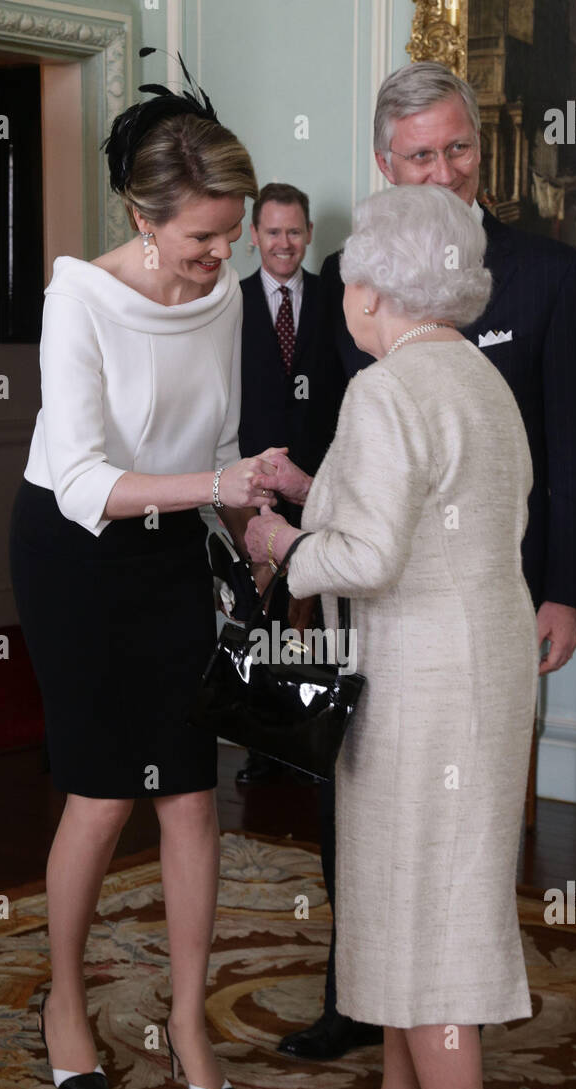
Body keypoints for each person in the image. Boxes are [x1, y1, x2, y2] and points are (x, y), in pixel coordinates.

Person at [279, 60, 576, 1063]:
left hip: (480, 603)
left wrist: (564, 590)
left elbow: (572, 449)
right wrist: (312, 558)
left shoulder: (549, 273)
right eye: (420, 154)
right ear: (387, 162)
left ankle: (438, 1018)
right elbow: (343, 442)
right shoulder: (350, 277)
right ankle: (359, 995)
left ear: (477, 144)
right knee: (359, 801)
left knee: (454, 828)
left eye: (457, 147)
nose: (445, 168)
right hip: (375, 605)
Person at [247, 183, 537, 1089]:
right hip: (484, 664)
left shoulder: (382, 387)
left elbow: (367, 556)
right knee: (423, 889)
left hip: (424, 677)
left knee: (427, 913)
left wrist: (281, 546)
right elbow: (427, 513)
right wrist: (314, 487)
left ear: (373, 288)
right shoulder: (476, 377)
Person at [9, 60, 276, 1089]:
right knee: (103, 787)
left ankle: (192, 1017)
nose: (224, 256)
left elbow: (215, 443)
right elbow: (81, 479)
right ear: (143, 214)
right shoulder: (77, 297)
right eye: (205, 236)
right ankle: (65, 1001)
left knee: (191, 793)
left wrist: (252, 523)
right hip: (74, 551)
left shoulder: (216, 300)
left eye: (234, 232)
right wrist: (216, 483)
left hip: (170, 546)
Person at [235, 182, 332, 785]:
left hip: (320, 483)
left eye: (294, 231)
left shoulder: (336, 297)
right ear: (253, 236)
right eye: (272, 232)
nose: (284, 243)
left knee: (316, 616)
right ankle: (263, 749)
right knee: (261, 615)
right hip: (252, 484)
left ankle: (315, 746)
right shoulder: (228, 299)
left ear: (309, 235)